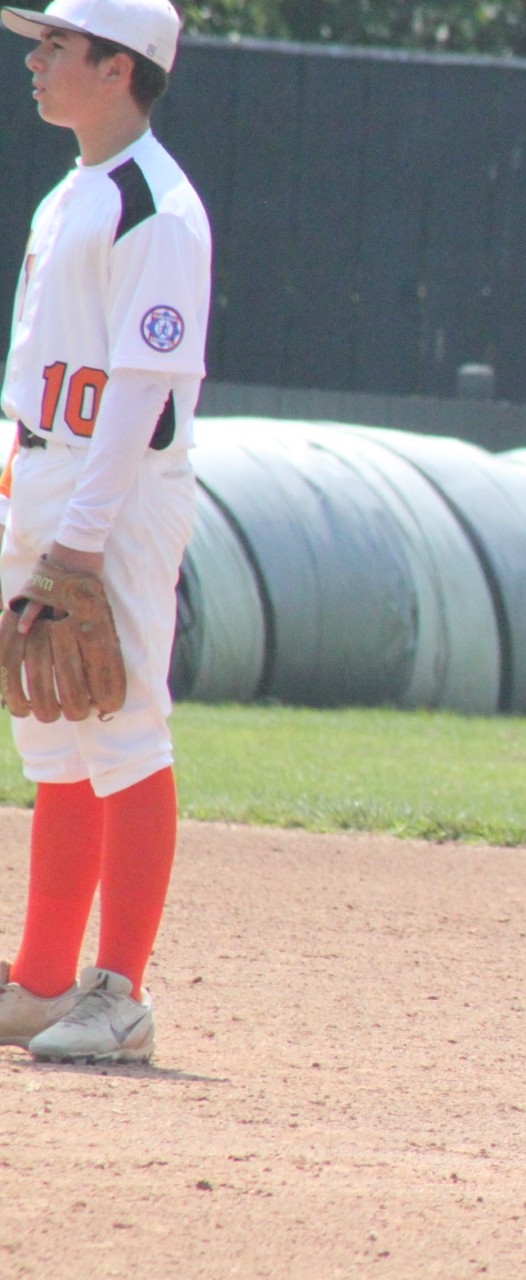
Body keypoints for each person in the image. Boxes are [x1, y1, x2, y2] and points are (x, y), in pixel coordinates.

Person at [0, 0, 209, 1064]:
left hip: (113, 493)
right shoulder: (74, 192)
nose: (36, 60)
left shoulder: (156, 209)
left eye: (56, 45)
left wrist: (79, 538)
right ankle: (42, 979)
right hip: (40, 473)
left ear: (119, 68)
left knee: (123, 725)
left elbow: (145, 389)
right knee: (51, 722)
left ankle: (119, 990)